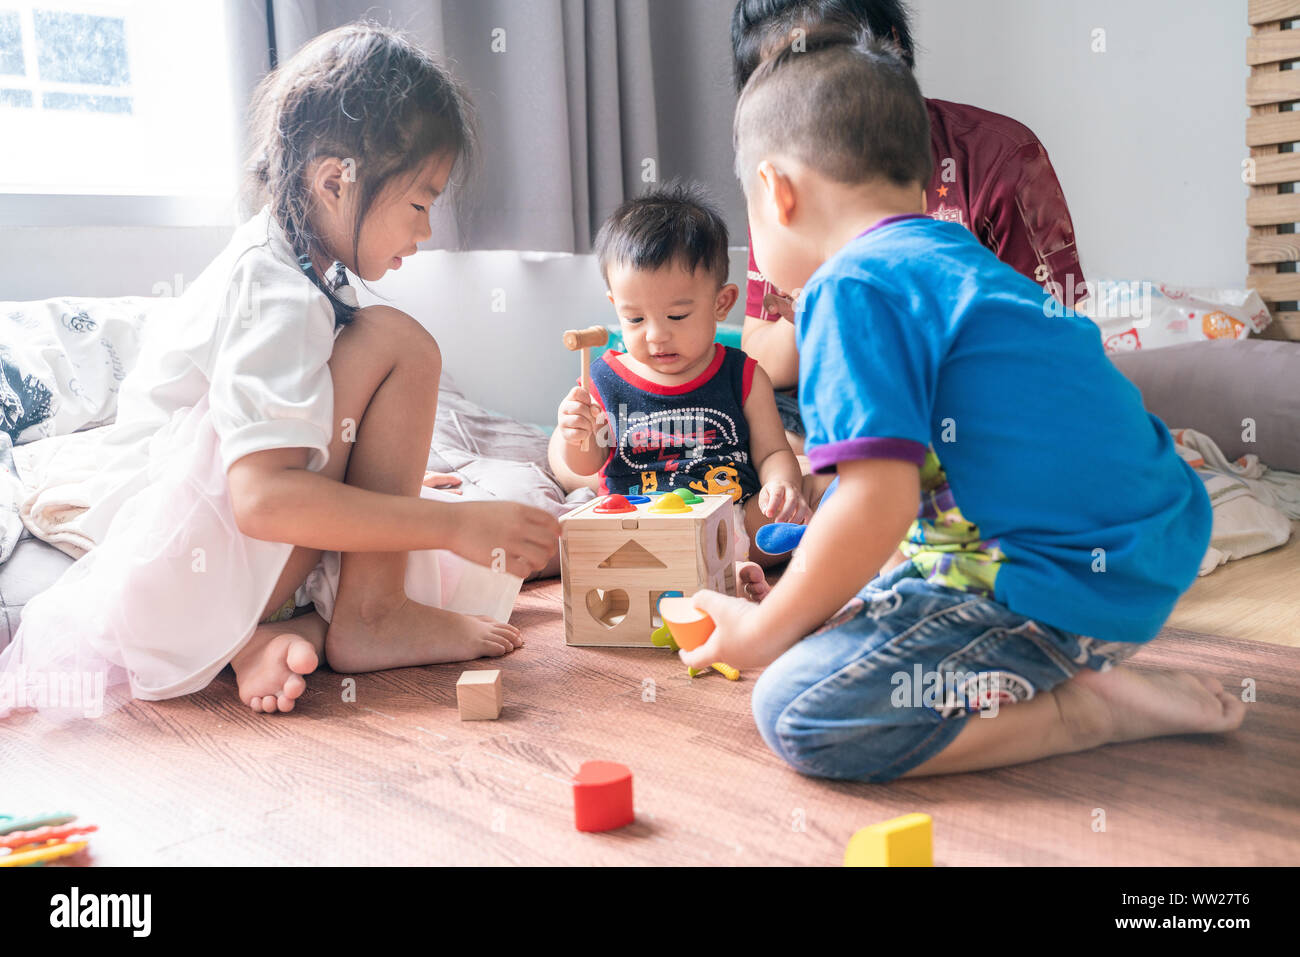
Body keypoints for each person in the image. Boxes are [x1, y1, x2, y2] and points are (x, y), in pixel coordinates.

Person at [678, 29, 1243, 782]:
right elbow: (907, 507)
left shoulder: (850, 288)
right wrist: (811, 602)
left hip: (1057, 584)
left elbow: (876, 504)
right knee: (845, 611)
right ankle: (1072, 664)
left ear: (776, 192)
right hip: (1143, 552)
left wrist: (765, 633)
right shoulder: (953, 258)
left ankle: (1084, 709)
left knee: (797, 707)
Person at [0, 23, 559, 719]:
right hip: (175, 579)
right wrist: (446, 525)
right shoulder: (276, 293)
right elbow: (262, 499)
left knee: (401, 441)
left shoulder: (300, 266)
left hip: (191, 583)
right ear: (333, 180)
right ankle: (362, 616)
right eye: (419, 203)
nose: (426, 232)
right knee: (401, 345)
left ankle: (268, 636)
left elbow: (306, 427)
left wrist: (394, 473)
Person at [732, 0, 1087, 455]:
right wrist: (813, 318)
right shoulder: (783, 177)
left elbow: (1054, 335)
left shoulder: (1001, 156)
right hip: (838, 403)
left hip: (969, 404)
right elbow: (760, 359)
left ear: (891, 50)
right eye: (783, 88)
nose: (810, 112)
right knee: (746, 421)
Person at [548, 183, 809, 566]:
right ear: (615, 306)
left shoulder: (744, 375)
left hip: (734, 527)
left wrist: (781, 484)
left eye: (677, 316)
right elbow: (587, 465)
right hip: (637, 531)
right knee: (567, 542)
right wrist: (576, 434)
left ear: (722, 304)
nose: (656, 336)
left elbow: (773, 451)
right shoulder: (604, 380)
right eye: (635, 319)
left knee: (814, 502)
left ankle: (745, 569)